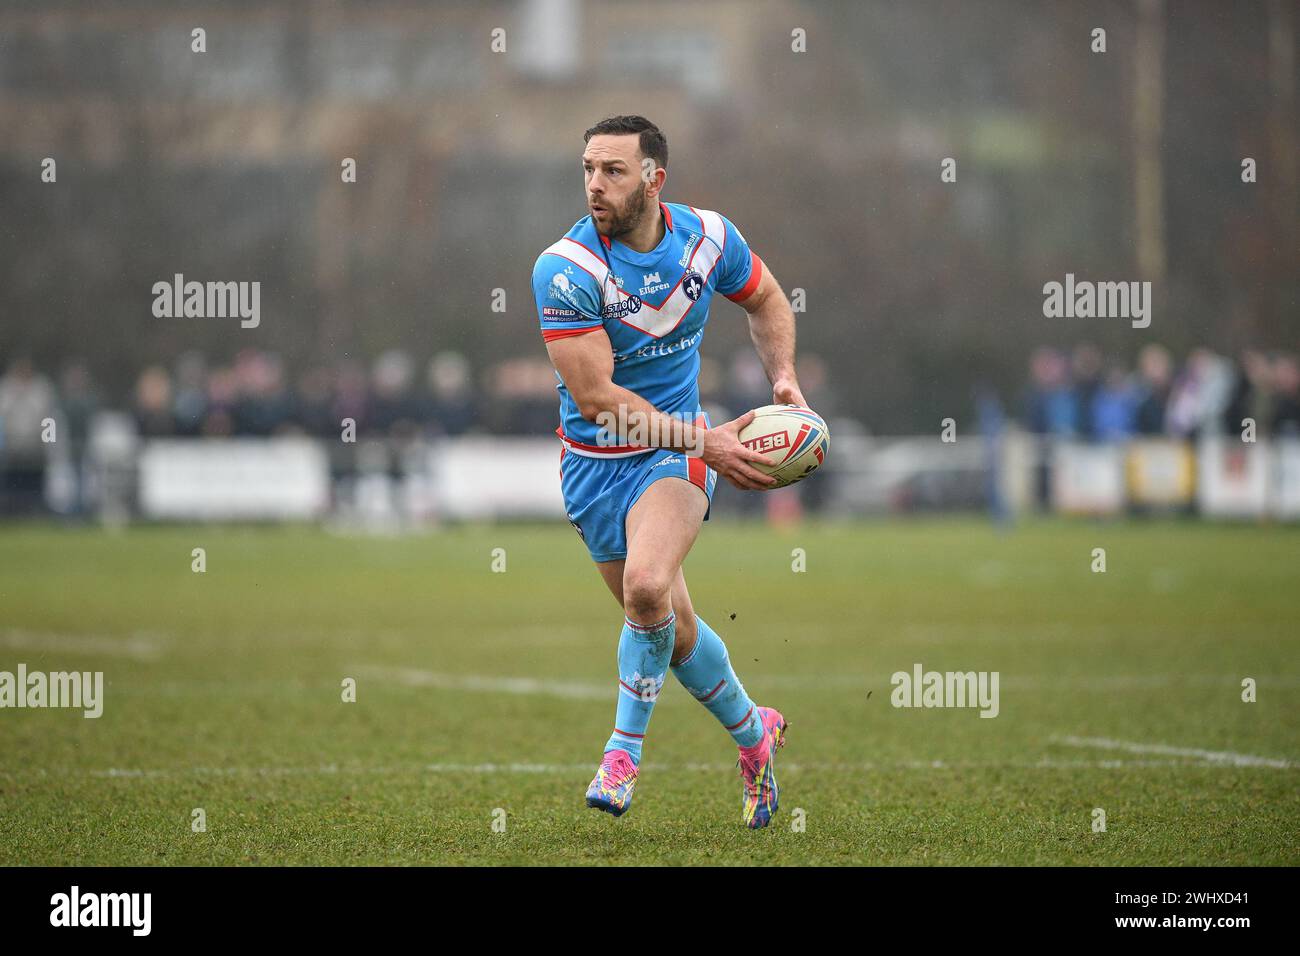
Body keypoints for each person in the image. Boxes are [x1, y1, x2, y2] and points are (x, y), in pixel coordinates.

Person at [530, 116, 804, 828]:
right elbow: (599, 403)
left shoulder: (710, 239)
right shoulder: (566, 269)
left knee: (646, 589)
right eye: (588, 169)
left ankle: (622, 753)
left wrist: (783, 381)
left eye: (613, 171)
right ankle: (755, 733)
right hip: (595, 466)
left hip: (674, 457)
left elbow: (768, 297)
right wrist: (706, 440)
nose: (595, 184)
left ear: (655, 179)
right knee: (670, 627)